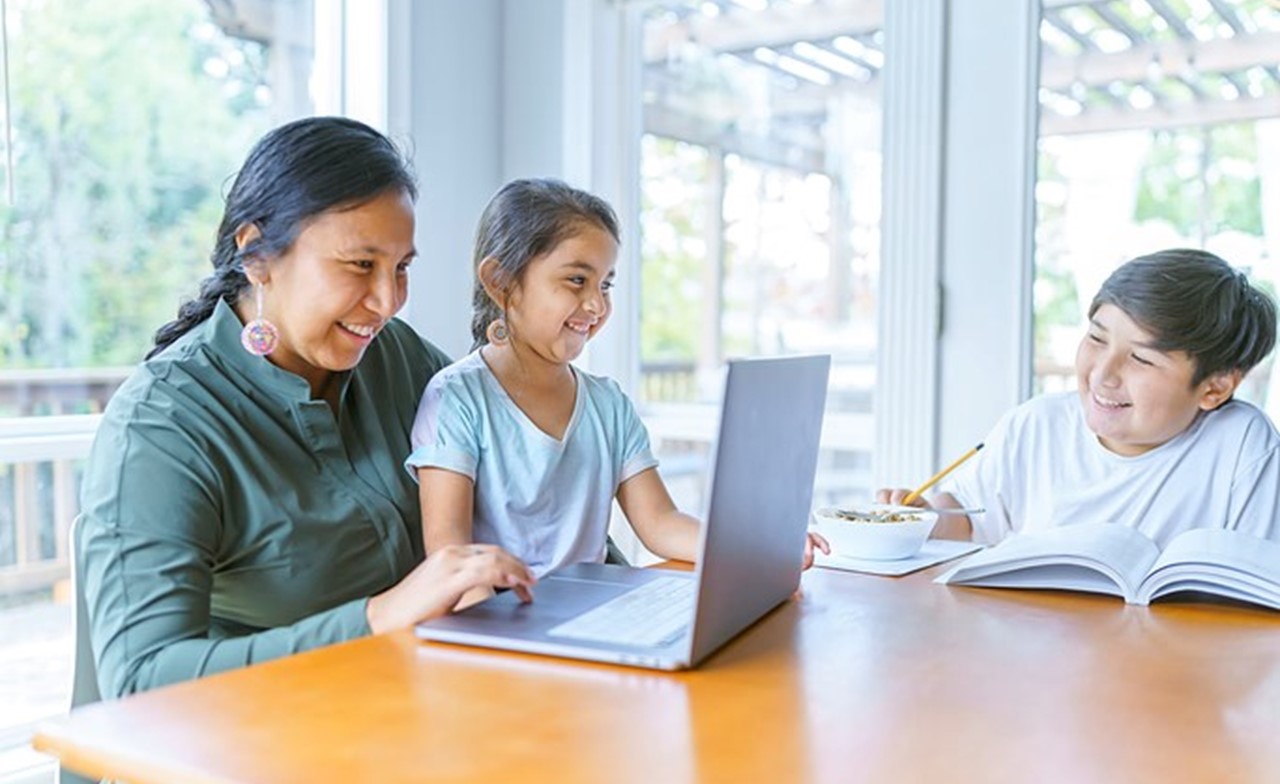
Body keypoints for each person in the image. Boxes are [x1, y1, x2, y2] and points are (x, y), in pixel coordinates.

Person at [77, 117, 536, 699]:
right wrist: (378, 617)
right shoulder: (161, 425)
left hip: (417, 708)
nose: (388, 301)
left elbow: (529, 481)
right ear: (257, 256)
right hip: (255, 743)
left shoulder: (399, 359)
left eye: (401, 268)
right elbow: (140, 681)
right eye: (360, 265)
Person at [406, 178, 827, 607]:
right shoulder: (457, 399)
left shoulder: (607, 404)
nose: (596, 306)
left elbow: (660, 523)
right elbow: (451, 561)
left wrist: (757, 548)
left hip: (593, 615)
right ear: (501, 282)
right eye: (576, 280)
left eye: (605, 284)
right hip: (504, 629)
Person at [879, 248, 1280, 547]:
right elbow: (968, 519)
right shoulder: (1037, 425)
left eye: (1141, 358)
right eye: (1096, 338)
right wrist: (927, 518)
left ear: (1215, 387)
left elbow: (1254, 584)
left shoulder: (1242, 445)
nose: (1103, 374)